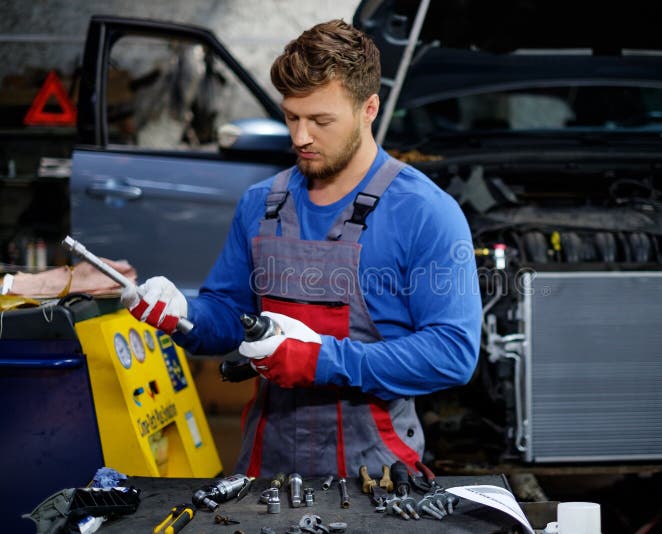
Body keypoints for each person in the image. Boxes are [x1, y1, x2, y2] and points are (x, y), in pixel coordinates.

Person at [122, 19, 481, 478]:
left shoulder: (425, 212)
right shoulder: (260, 204)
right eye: (292, 117)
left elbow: (452, 353)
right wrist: (182, 315)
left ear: (369, 108)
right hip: (265, 465)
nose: (300, 137)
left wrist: (319, 360)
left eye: (320, 120)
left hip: (374, 472)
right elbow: (230, 317)